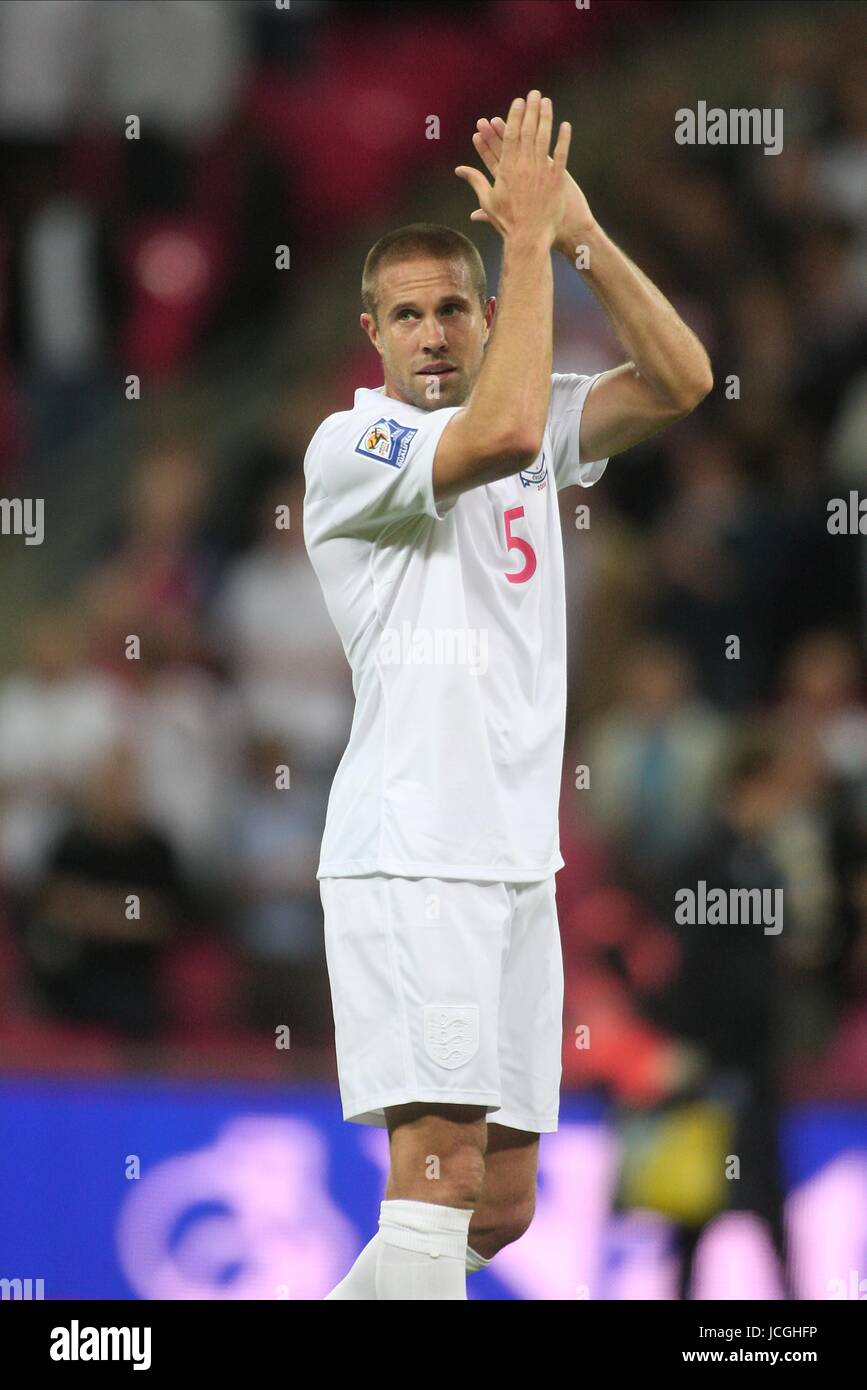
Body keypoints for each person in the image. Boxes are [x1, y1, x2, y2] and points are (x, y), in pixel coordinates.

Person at [303, 91, 713, 1301]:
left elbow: (686, 380)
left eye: (452, 310)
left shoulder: (528, 417)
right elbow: (504, 426)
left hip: (515, 860)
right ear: (371, 332)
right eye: (407, 315)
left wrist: (577, 230)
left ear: (488, 319)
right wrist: (525, 244)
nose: (432, 334)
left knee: (501, 1202)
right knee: (432, 1173)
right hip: (415, 850)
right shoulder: (355, 448)